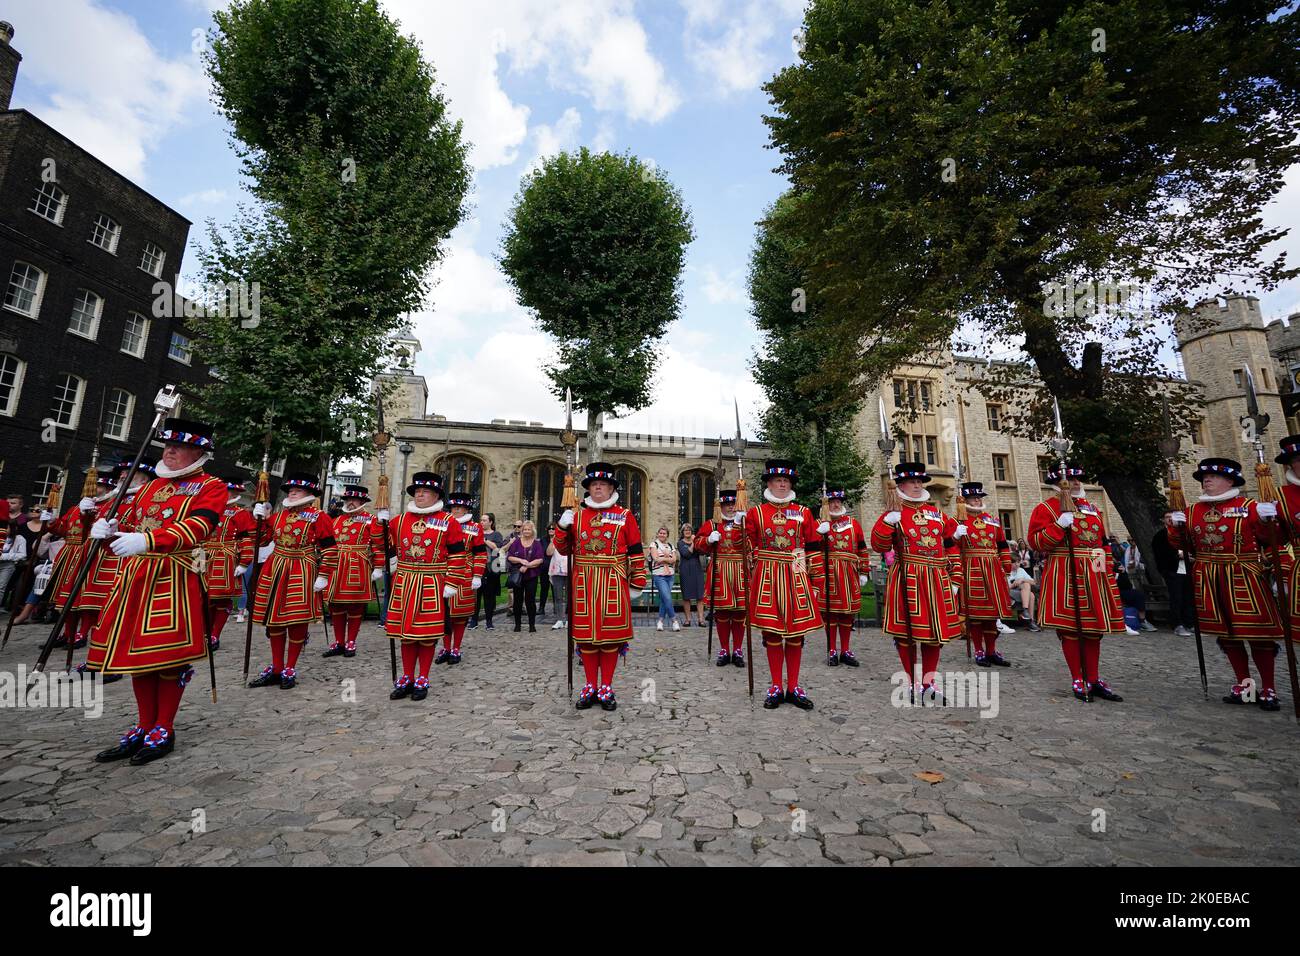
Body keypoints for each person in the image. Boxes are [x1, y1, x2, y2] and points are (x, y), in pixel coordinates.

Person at [84, 417, 228, 764]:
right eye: (168, 446)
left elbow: (197, 528)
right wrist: (108, 532)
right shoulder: (148, 487)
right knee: (138, 659)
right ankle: (145, 724)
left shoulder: (211, 486)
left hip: (173, 577)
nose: (171, 451)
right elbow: (130, 529)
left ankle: (164, 726)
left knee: (167, 658)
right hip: (136, 578)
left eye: (179, 446)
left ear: (199, 450)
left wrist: (147, 540)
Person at [1168, 456, 1284, 710]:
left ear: (1229, 480)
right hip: (1208, 576)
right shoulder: (1193, 511)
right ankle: (1245, 685)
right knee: (1228, 635)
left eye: (1213, 477)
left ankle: (1269, 687)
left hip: (1242, 575)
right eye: (1203, 478)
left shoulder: (1248, 505)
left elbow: (1271, 539)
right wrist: (1175, 529)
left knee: (1257, 634)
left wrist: (1268, 520)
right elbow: (1181, 544)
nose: (1206, 481)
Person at [1027, 462, 1126, 703]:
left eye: (1078, 479)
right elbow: (1037, 543)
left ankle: (1093, 677)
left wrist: (1107, 572)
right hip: (1064, 571)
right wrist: (1059, 525)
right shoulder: (1046, 509)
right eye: (1070, 480)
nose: (1076, 483)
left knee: (1093, 630)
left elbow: (1102, 542)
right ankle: (1077, 677)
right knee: (1071, 630)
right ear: (1057, 483)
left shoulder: (1092, 508)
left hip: (1093, 572)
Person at [555, 463, 648, 710]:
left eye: (603, 484)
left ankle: (606, 686)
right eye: (593, 484)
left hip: (613, 582)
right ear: (587, 488)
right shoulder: (577, 514)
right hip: (583, 581)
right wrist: (562, 527)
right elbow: (563, 550)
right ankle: (589, 685)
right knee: (586, 639)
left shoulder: (625, 515)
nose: (598, 487)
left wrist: (638, 581)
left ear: (611, 488)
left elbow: (636, 550)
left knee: (609, 639)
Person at [871, 462, 963, 703]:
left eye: (920, 482)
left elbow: (952, 543)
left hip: (936, 577)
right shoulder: (894, 512)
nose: (916, 485)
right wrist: (887, 523)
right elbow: (879, 545)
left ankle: (928, 682)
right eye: (911, 482)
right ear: (899, 484)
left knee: (935, 634)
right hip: (907, 576)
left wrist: (955, 577)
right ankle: (911, 681)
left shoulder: (937, 514)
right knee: (906, 634)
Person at [744, 459, 826, 710]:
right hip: (767, 576)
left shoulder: (803, 512)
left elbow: (812, 547)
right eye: (777, 480)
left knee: (796, 633)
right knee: (771, 633)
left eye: (786, 480)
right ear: (768, 483)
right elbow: (744, 548)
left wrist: (818, 580)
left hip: (796, 572)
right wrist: (739, 529)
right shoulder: (755, 513)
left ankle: (794, 686)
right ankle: (776, 685)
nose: (781, 484)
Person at [247, 473, 338, 690]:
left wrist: (324, 575)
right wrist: (257, 520)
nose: (292, 492)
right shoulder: (277, 516)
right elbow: (259, 540)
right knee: (274, 620)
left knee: (297, 619)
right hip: (276, 567)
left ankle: (290, 667)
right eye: (290, 490)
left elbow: (331, 549)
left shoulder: (319, 517)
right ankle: (277, 667)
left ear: (308, 493)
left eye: (297, 489)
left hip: (301, 568)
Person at [384, 472, 469, 701]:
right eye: (417, 492)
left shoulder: (448, 522)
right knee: (406, 635)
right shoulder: (399, 521)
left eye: (425, 492)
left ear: (436, 495)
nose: (420, 495)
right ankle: (407, 676)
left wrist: (452, 582)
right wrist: (379, 524)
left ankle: (423, 676)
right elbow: (385, 545)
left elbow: (458, 554)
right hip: (404, 581)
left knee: (427, 634)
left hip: (432, 582)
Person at [952, 481, 1016, 666]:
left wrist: (1006, 566)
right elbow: (948, 547)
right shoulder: (957, 521)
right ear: (964, 500)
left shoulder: (992, 520)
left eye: (979, 498)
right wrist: (955, 536)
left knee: (992, 614)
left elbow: (1002, 544)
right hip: (971, 569)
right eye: (973, 498)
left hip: (993, 570)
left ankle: (991, 650)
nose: (977, 501)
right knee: (976, 615)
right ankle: (979, 650)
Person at [320, 484, 385, 659]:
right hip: (336, 564)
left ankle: (351, 641)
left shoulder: (370, 520)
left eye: (354, 500)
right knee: (335, 604)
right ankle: (339, 641)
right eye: (348, 499)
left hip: (357, 565)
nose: (350, 503)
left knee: (355, 604)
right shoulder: (336, 520)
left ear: (363, 501)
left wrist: (378, 566)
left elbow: (379, 545)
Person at [817, 488, 870, 667]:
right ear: (826, 504)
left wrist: (864, 571)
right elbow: (813, 550)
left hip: (849, 573)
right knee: (831, 614)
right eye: (832, 502)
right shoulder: (820, 524)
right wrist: (819, 533)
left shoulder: (853, 523)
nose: (836, 504)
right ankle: (831, 649)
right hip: (829, 572)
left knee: (847, 614)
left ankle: (846, 649)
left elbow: (862, 548)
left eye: (838, 501)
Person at [695, 490, 748, 667]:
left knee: (740, 613)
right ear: (721, 507)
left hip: (740, 570)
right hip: (720, 569)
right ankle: (724, 649)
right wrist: (708, 540)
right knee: (722, 613)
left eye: (734, 504)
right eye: (727, 505)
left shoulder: (745, 523)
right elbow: (697, 544)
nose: (731, 507)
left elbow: (753, 544)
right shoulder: (712, 523)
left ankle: (738, 649)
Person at [203, 478, 256, 654]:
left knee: (222, 598)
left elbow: (246, 539)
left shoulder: (240, 514)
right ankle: (204, 632)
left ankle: (215, 635)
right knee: (204, 597)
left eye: (231, 491)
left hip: (225, 558)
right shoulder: (208, 509)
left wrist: (244, 562)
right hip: (203, 557)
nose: (227, 494)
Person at [439, 492, 486, 663]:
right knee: (444, 613)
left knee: (460, 615)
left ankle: (456, 649)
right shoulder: (441, 524)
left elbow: (480, 553)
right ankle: (445, 647)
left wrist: (478, 575)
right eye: (453, 508)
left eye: (459, 508)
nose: (455, 511)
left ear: (466, 508)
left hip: (465, 574)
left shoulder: (475, 527)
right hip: (443, 572)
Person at [1151, 525, 1194, 637]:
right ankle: (1177, 624)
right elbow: (1161, 553)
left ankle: (1189, 623)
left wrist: (1192, 556)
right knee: (1176, 597)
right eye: (1168, 517)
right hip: (1173, 570)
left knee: (1188, 597)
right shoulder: (1162, 535)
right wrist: (1177, 556)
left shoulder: (1185, 533)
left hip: (1187, 569)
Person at [508, 520, 545, 632]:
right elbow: (510, 557)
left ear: (532, 530)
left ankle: (532, 625)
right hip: (518, 576)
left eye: (529, 529)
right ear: (522, 530)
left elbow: (540, 559)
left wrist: (528, 565)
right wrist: (521, 560)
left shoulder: (537, 543)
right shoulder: (516, 542)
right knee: (517, 601)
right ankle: (517, 624)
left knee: (530, 601)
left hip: (531, 576)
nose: (526, 531)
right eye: (525, 529)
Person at [471, 512, 505, 629]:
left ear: (491, 522)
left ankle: (489, 622)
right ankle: (473, 621)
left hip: (491, 568)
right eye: (481, 520)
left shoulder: (496, 535)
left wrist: (483, 539)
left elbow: (496, 548)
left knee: (489, 596)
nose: (482, 522)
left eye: (484, 520)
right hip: (476, 568)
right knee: (475, 596)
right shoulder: (475, 533)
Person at [650, 526, 679, 631]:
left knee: (664, 599)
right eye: (660, 533)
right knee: (667, 597)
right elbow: (656, 559)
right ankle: (674, 621)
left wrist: (663, 559)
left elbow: (675, 559)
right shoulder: (654, 544)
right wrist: (668, 559)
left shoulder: (671, 545)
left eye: (664, 533)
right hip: (659, 575)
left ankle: (660, 622)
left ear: (667, 535)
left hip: (670, 575)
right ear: (658, 534)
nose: (662, 535)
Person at [677, 523, 704, 626]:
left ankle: (701, 619)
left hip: (697, 569)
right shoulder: (680, 543)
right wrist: (693, 542)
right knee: (686, 597)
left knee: (699, 596)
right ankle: (688, 620)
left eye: (689, 530)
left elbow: (701, 552)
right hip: (685, 570)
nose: (687, 531)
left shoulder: (696, 542)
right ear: (682, 532)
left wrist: (698, 542)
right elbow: (686, 554)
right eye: (685, 530)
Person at [1007, 560, 1040, 631]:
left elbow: (1033, 582)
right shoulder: (1005, 570)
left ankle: (1029, 619)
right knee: (1029, 591)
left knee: (1031, 594)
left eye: (1018, 562)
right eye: (1014, 562)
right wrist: (1013, 584)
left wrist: (1022, 580)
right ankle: (1029, 619)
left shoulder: (1021, 570)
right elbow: (1002, 587)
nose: (1016, 564)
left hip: (1021, 594)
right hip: (1008, 594)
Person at [547, 523, 568, 630]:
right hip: (557, 570)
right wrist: (553, 541)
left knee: (570, 597)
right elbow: (549, 553)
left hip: (570, 570)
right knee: (558, 597)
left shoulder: (571, 538)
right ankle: (560, 619)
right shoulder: (556, 540)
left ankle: (569, 620)